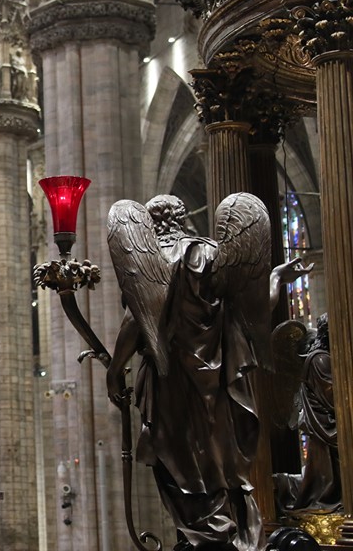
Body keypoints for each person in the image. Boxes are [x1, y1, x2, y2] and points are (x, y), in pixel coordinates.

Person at [107, 194, 310, 551]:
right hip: (217, 387)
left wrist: (114, 369)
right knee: (219, 466)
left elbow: (136, 322)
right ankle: (229, 536)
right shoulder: (213, 254)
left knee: (178, 470)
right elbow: (253, 309)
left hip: (170, 387)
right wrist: (276, 278)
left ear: (149, 225)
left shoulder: (153, 259)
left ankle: (210, 539)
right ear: (182, 218)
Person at [273, 314, 341, 513]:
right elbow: (334, 399)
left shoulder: (324, 356)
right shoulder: (320, 359)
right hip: (326, 426)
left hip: (330, 424)